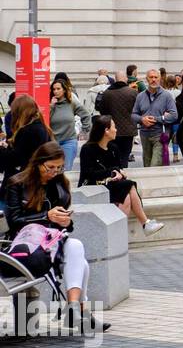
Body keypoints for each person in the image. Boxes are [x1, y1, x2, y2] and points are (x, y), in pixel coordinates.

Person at [4, 142, 109, 331]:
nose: (54, 172)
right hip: (25, 248)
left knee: (75, 246)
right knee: (80, 260)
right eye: (50, 167)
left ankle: (74, 308)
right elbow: (14, 221)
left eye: (59, 167)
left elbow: (67, 226)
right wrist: (46, 216)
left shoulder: (59, 185)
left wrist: (66, 222)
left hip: (51, 243)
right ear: (37, 163)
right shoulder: (17, 183)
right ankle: (80, 309)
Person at [79, 115, 165, 235]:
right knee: (128, 186)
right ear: (106, 131)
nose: (116, 130)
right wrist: (112, 172)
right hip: (93, 187)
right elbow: (88, 174)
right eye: (114, 127)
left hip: (112, 185)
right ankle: (144, 223)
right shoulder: (87, 149)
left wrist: (120, 173)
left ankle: (118, 234)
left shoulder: (113, 148)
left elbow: (119, 168)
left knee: (126, 196)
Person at [0, 94, 53, 186]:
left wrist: (2, 150)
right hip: (33, 179)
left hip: (22, 182)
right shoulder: (41, 127)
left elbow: (16, 159)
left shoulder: (28, 131)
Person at [131, 69, 177, 168]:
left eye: (156, 77)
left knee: (155, 165)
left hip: (159, 135)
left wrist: (157, 119)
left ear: (160, 79)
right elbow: (133, 114)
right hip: (144, 135)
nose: (153, 80)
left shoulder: (166, 96)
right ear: (147, 79)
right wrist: (142, 119)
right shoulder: (140, 96)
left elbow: (174, 115)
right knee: (147, 166)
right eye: (151, 77)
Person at [49, 78, 93, 170]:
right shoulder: (50, 105)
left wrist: (84, 130)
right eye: (54, 89)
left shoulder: (71, 103)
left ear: (64, 90)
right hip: (53, 142)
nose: (55, 91)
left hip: (69, 141)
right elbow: (44, 120)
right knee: (53, 170)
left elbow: (86, 115)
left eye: (58, 89)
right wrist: (51, 106)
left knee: (66, 169)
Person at [100, 72, 139, 167]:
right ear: (125, 79)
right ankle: (123, 174)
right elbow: (138, 110)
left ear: (115, 79)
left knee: (112, 157)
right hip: (128, 131)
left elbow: (102, 111)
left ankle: (114, 175)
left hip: (111, 131)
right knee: (125, 156)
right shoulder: (133, 93)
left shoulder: (107, 93)